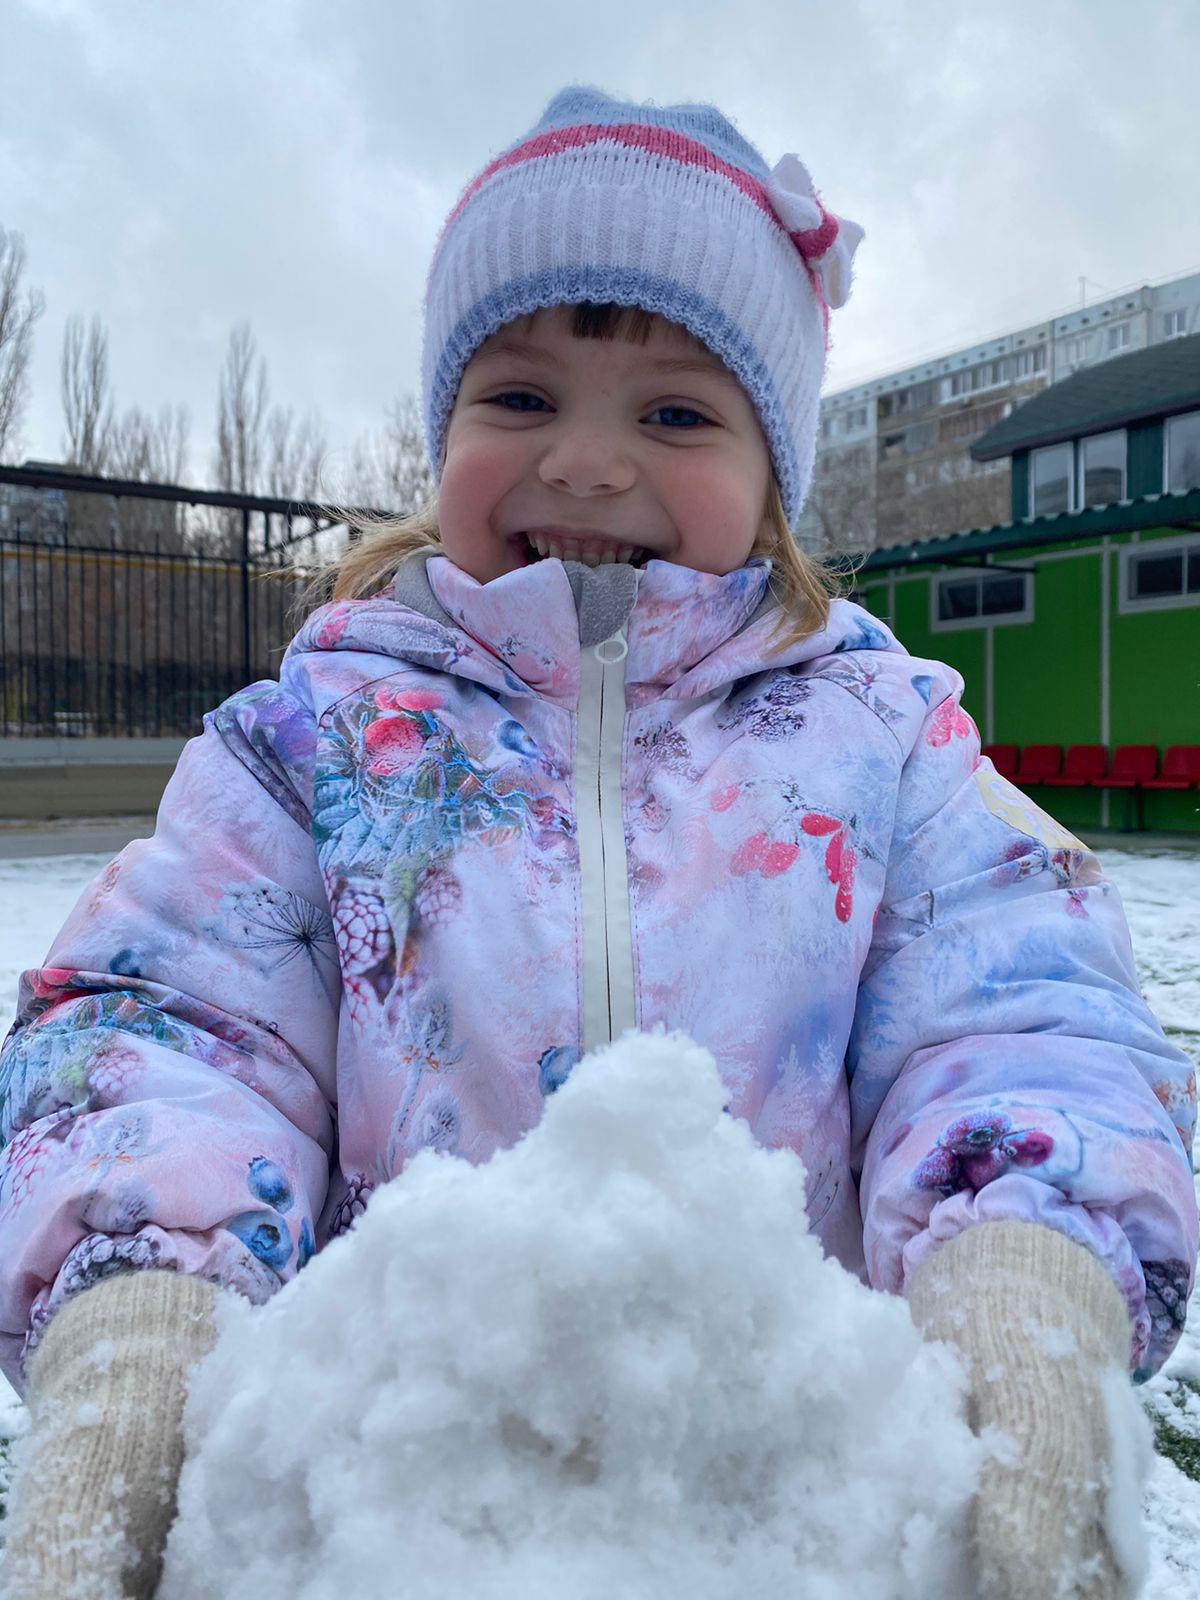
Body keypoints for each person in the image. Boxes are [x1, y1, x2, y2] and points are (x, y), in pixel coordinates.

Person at [0, 85, 1194, 1600]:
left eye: (676, 413)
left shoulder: (884, 745)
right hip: (399, 1512)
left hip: (787, 1512)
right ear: (442, 430)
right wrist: (145, 1318)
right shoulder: (314, 744)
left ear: (775, 474)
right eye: (519, 397)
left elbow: (1021, 1011)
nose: (582, 459)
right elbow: (171, 1028)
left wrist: (1026, 1272)